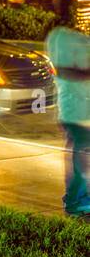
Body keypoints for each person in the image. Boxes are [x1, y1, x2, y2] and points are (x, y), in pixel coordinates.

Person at [46, 25, 90, 216]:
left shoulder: (67, 39)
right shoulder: (62, 37)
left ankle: (75, 197)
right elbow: (63, 71)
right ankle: (75, 201)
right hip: (78, 113)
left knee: (80, 155)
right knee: (81, 157)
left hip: (77, 112)